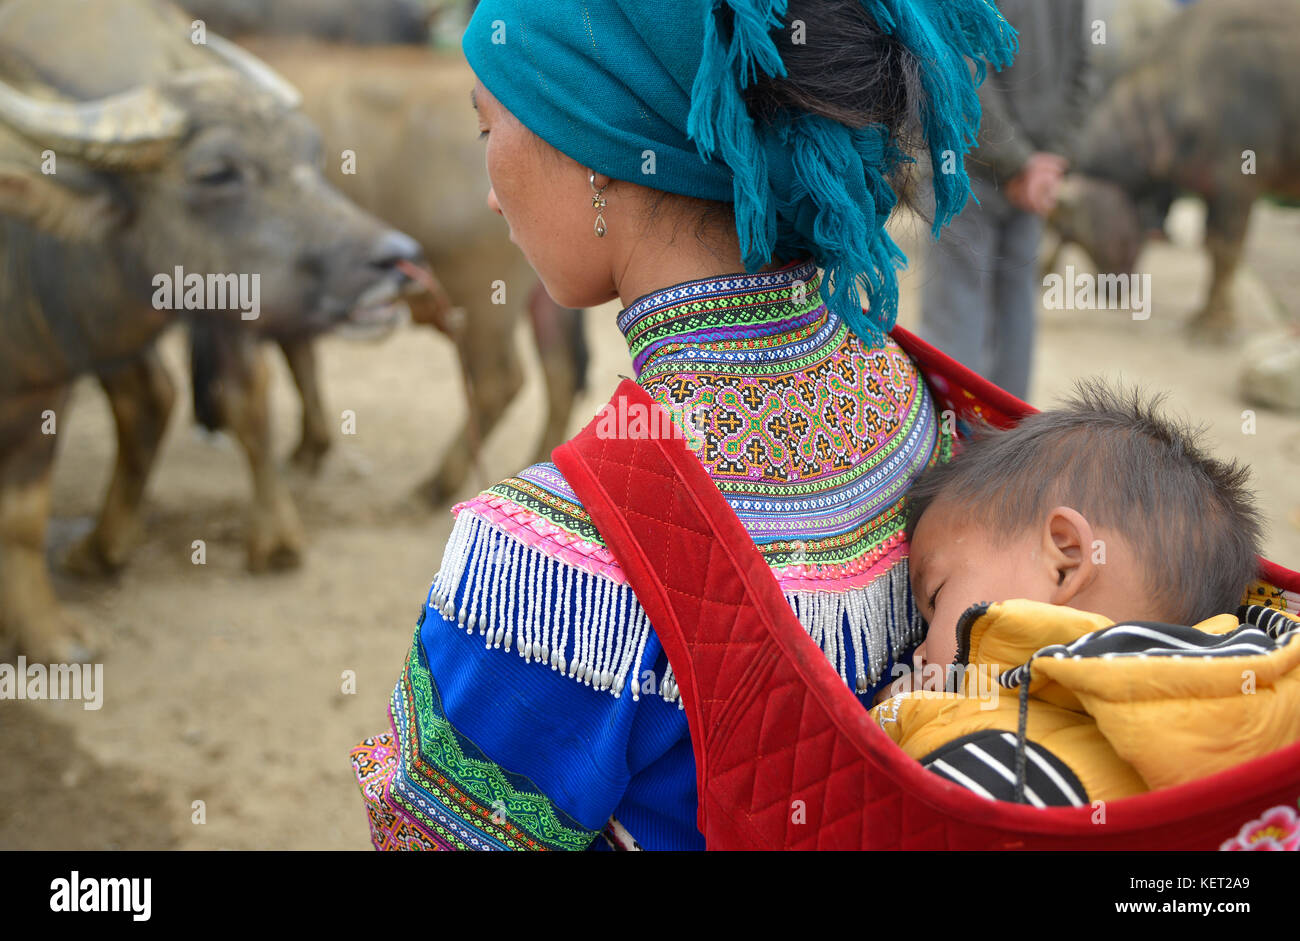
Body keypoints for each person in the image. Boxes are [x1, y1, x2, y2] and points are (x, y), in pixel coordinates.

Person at [351, 0, 1018, 851]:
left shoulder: (555, 557)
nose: (489, 192)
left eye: (490, 130)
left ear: (593, 147)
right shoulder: (925, 406)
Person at [870, 380, 1300, 805]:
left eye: (937, 596)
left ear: (1066, 560)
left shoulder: (992, 761)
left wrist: (896, 718)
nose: (919, 653)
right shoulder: (1270, 678)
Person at [918, 0, 1090, 402]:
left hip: (968, 168)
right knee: (1016, 310)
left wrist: (1023, 165)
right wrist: (1047, 163)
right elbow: (1084, 69)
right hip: (1034, 176)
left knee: (956, 312)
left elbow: (958, 68)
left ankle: (953, 444)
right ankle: (1009, 445)